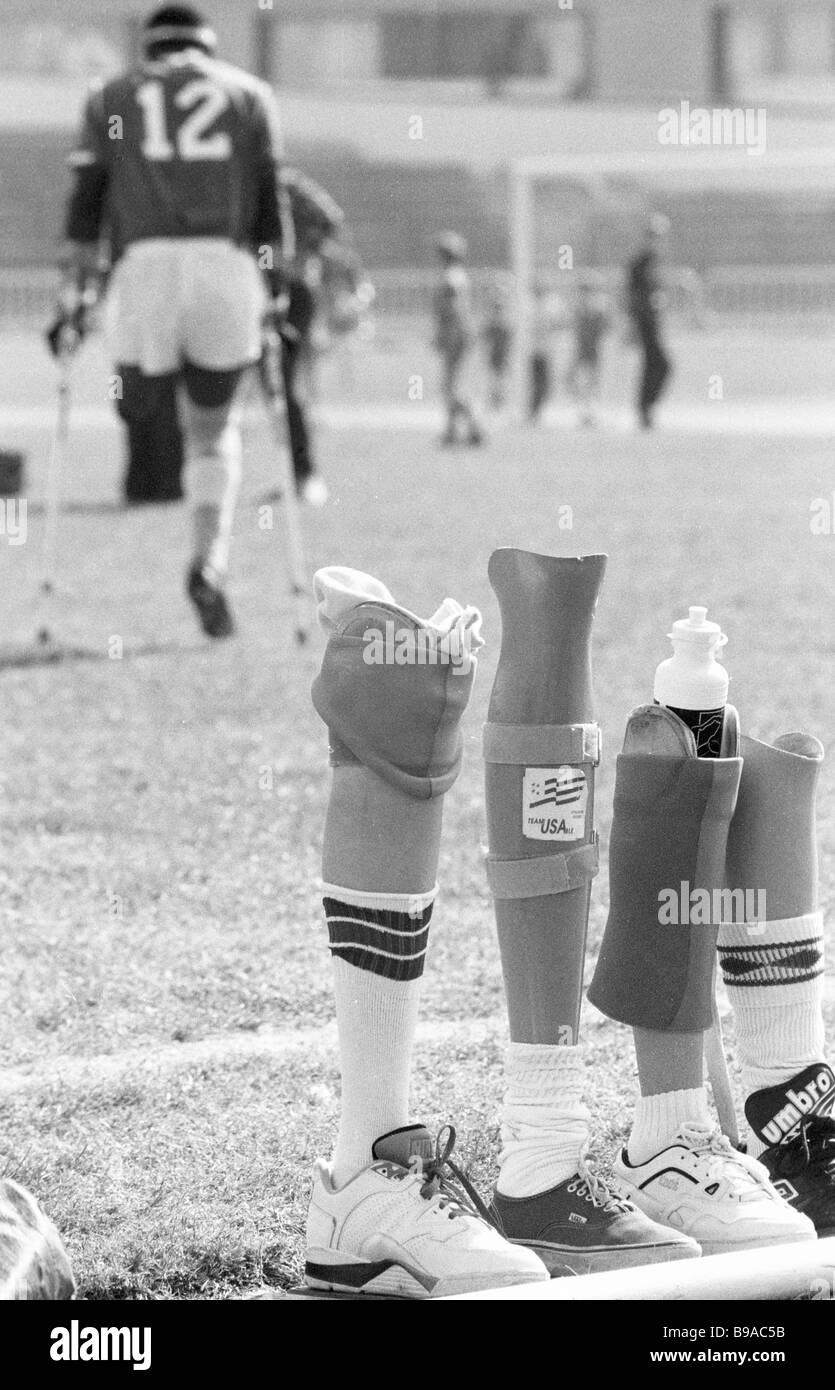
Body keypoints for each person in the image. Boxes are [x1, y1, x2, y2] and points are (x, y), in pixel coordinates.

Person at [55, 4, 290, 638]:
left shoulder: (110, 93)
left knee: (141, 404)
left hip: (145, 268)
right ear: (206, 47)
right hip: (226, 266)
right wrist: (276, 284)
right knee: (214, 431)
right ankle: (208, 561)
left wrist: (74, 294)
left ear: (150, 47)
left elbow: (88, 198)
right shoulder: (250, 94)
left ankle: (148, 406)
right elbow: (271, 198)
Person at [432, 233, 484, 447]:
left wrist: (446, 335)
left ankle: (474, 427)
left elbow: (454, 309)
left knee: (450, 388)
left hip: (456, 335)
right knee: (451, 386)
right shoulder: (457, 274)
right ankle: (452, 431)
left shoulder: (451, 277)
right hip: (459, 334)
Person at [626, 214, 672, 429]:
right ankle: (644, 407)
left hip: (651, 321)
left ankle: (645, 409)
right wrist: (632, 324)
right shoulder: (640, 264)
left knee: (654, 365)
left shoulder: (654, 263)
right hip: (644, 322)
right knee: (660, 364)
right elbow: (634, 297)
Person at [568, 278, 610, 427]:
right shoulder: (579, 312)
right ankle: (584, 413)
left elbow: (603, 328)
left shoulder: (596, 312)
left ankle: (591, 413)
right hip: (582, 353)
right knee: (582, 384)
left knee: (592, 384)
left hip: (592, 353)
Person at [481, 288, 513, 410]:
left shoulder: (504, 326)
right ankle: (494, 402)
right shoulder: (493, 325)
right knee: (494, 381)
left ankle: (498, 401)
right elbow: (484, 338)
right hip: (494, 356)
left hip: (501, 356)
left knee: (500, 381)